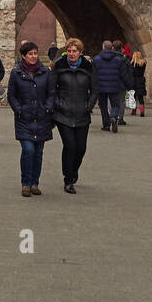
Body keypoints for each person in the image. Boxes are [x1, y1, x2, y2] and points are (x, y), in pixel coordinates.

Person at [7, 39, 54, 195]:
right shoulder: (17, 73)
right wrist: (18, 109)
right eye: (30, 54)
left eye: (35, 53)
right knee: (28, 150)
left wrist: (48, 107)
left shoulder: (45, 72)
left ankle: (35, 183)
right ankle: (25, 183)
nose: (34, 56)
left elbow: (51, 93)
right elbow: (11, 95)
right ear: (23, 56)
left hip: (41, 117)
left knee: (39, 152)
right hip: (24, 118)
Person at [50, 38, 98, 193]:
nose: (71, 54)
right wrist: (58, 104)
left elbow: (95, 89)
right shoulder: (59, 66)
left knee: (81, 148)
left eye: (74, 51)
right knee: (70, 146)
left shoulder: (88, 67)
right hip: (63, 113)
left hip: (81, 113)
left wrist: (88, 106)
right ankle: (68, 178)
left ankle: (73, 169)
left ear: (80, 52)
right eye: (69, 51)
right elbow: (52, 88)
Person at [93, 40, 127, 132]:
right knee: (115, 104)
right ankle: (114, 117)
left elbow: (93, 74)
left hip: (101, 86)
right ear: (111, 48)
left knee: (103, 105)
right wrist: (127, 84)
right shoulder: (118, 60)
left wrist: (93, 86)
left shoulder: (96, 59)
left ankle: (106, 124)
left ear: (103, 47)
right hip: (115, 85)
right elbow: (123, 74)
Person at [111, 39, 133, 126]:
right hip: (121, 83)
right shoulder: (124, 59)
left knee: (111, 100)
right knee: (121, 100)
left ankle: (112, 116)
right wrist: (129, 84)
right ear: (121, 48)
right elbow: (128, 72)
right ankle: (120, 118)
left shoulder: (109, 58)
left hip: (111, 82)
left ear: (112, 48)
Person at [131, 50, 147, 117]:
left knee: (133, 97)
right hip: (141, 80)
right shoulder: (143, 63)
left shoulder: (132, 64)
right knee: (140, 97)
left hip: (133, 81)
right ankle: (142, 110)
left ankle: (134, 110)